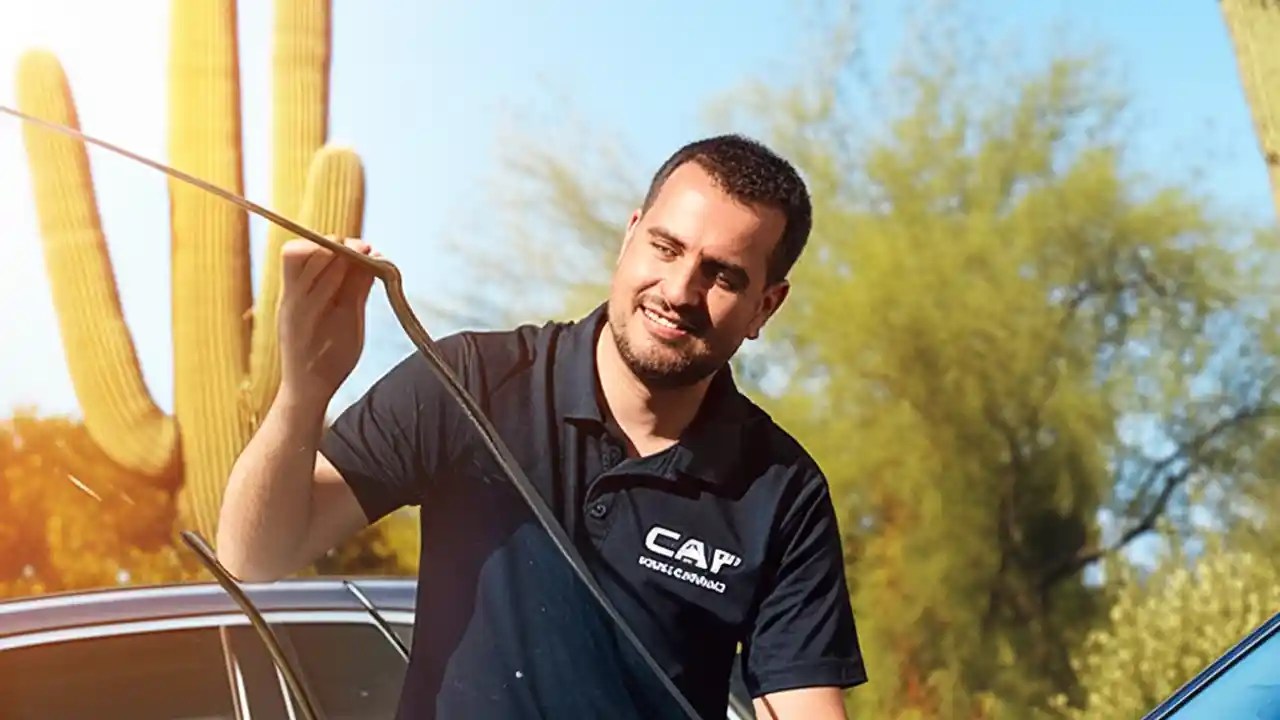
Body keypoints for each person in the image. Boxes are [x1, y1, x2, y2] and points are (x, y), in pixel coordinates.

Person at [216, 134, 867, 719]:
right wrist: (305, 389)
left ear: (766, 306)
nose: (678, 290)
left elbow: (804, 701)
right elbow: (255, 554)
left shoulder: (782, 490)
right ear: (630, 236)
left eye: (722, 274)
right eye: (665, 248)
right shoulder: (469, 380)